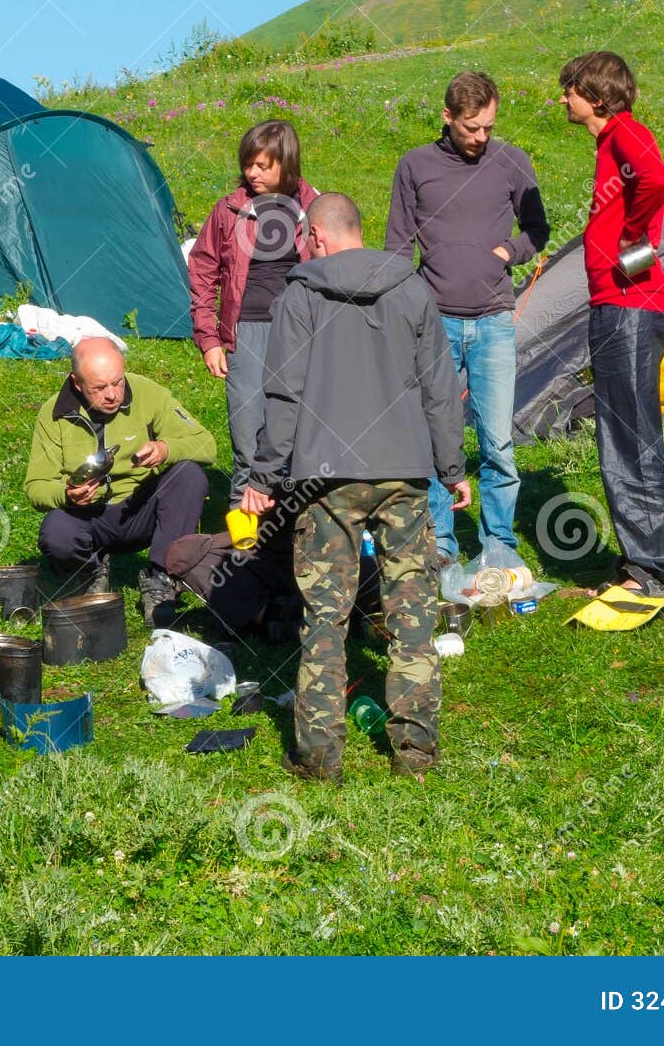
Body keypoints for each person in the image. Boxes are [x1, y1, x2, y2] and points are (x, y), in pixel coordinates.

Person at [242, 193, 468, 782]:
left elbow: (283, 395)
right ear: (358, 232)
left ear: (316, 237)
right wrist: (453, 469)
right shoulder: (412, 290)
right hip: (404, 473)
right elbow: (441, 389)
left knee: (325, 617)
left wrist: (264, 478)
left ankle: (319, 761)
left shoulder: (299, 297)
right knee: (412, 612)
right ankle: (415, 756)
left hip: (325, 480)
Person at [385, 71, 549, 566]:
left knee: (497, 439)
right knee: (438, 438)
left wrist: (509, 251)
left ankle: (499, 547)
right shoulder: (415, 166)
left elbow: (538, 228)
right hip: (433, 323)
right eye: (471, 128)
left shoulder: (510, 161)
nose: (481, 138)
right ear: (448, 117)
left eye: (489, 128)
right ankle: (441, 546)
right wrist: (402, 304)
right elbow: (397, 245)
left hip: (494, 320)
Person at [559, 51, 664, 595]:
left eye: (570, 90)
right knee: (620, 434)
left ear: (596, 98)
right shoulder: (610, 143)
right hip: (616, 304)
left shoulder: (626, 131)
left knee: (630, 437)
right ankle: (640, 561)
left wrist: (631, 235)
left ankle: (651, 570)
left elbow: (657, 176)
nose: (564, 98)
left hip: (631, 305)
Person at [24, 338, 215, 627]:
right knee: (56, 531)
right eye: (99, 388)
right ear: (77, 383)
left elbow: (207, 445)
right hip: (88, 515)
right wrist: (67, 494)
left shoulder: (148, 394)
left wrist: (165, 449)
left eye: (118, 382)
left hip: (141, 508)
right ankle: (89, 573)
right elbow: (36, 486)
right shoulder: (54, 413)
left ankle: (162, 578)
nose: (112, 394)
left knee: (189, 475)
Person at [188, 119, 318, 506]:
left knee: (300, 441)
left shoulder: (313, 206)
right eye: (248, 164)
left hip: (300, 332)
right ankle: (242, 550)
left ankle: (295, 543)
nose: (252, 173)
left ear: (287, 162)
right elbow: (202, 268)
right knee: (249, 439)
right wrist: (209, 338)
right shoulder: (229, 210)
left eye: (263, 165)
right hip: (245, 333)